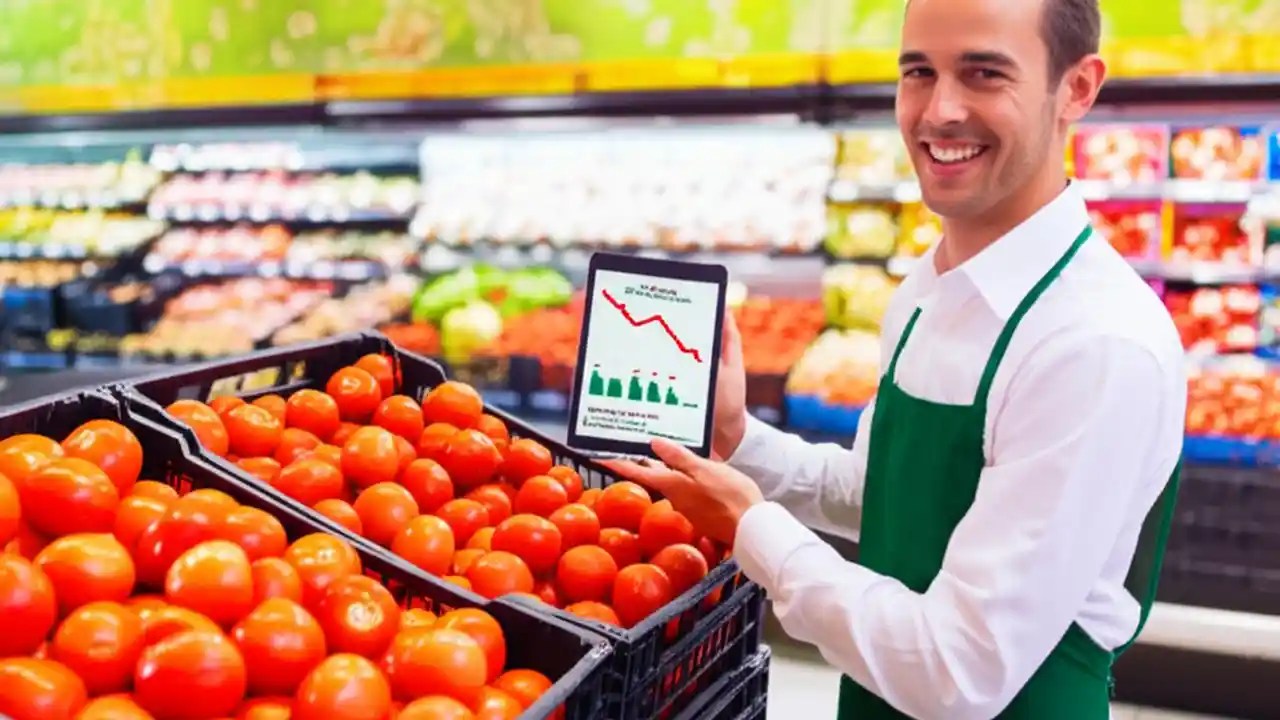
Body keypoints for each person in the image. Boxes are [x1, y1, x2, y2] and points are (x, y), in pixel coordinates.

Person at [602, 0, 1187, 718]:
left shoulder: (1095, 344)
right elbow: (890, 495)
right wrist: (740, 441)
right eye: (919, 72)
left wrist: (752, 527)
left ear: (1077, 89)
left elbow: (958, 671)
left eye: (983, 74)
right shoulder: (929, 289)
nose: (939, 111)